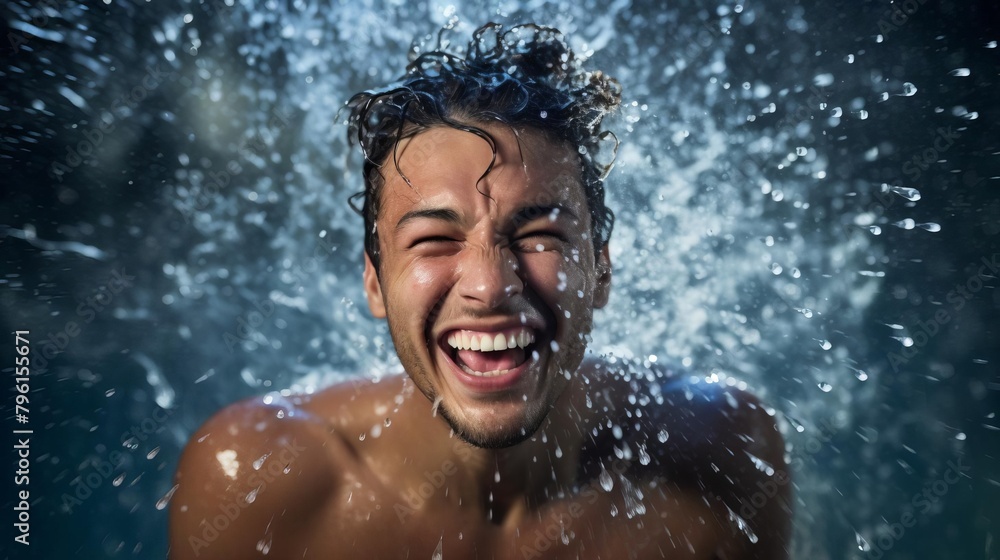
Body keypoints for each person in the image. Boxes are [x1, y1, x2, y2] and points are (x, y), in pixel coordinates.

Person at [169, 22, 791, 560]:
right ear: (374, 282)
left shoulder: (722, 459)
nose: (492, 286)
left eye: (539, 235)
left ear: (601, 273)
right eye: (435, 240)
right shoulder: (257, 486)